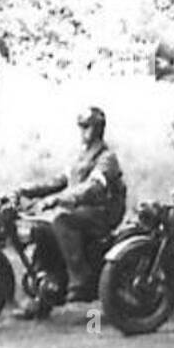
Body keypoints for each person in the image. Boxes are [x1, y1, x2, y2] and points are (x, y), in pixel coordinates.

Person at [15, 106, 125, 317]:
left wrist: (60, 199)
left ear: (98, 129)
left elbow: (93, 186)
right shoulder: (81, 156)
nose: (83, 131)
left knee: (61, 220)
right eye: (81, 127)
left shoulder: (106, 157)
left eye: (87, 127)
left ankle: (80, 278)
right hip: (81, 211)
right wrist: (27, 189)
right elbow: (60, 181)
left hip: (101, 212)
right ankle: (44, 293)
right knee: (41, 228)